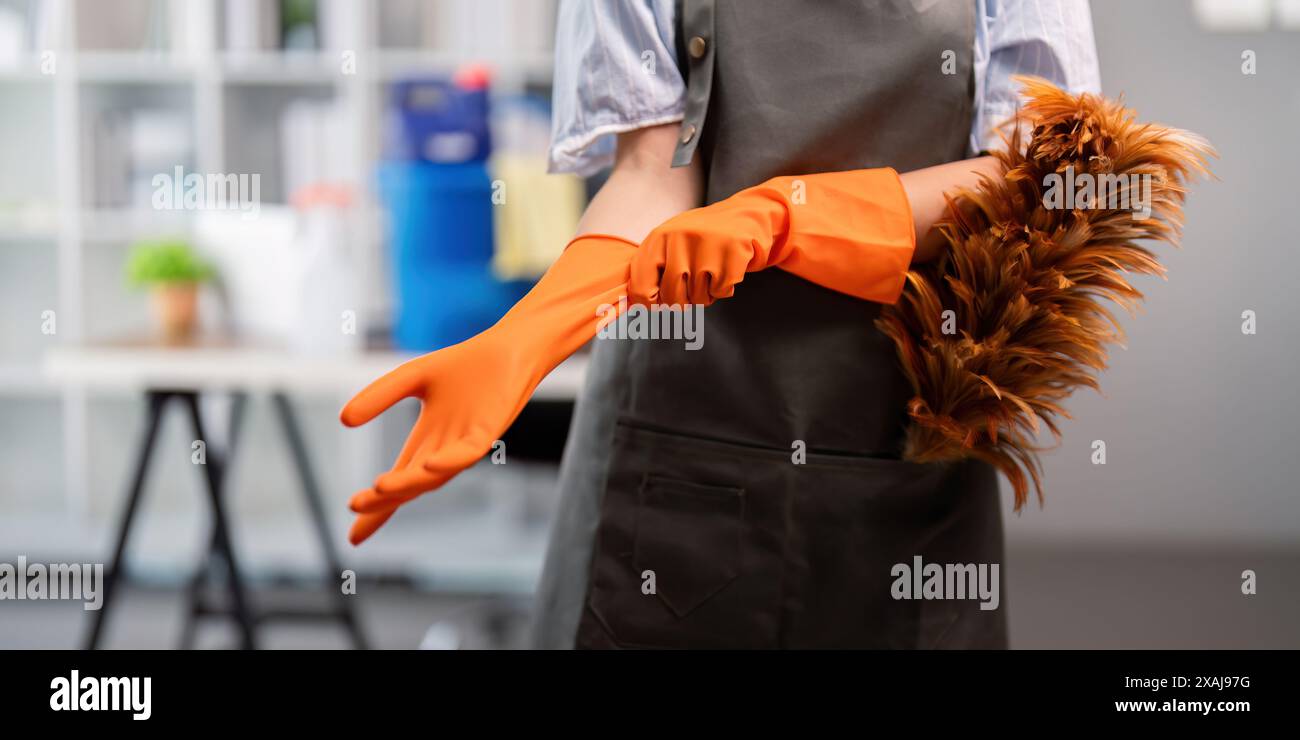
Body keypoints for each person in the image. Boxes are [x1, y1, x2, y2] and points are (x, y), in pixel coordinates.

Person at [529, 0, 1102, 649]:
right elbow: (649, 169)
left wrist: (791, 216)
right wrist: (526, 337)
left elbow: (1044, 177)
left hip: (905, 436)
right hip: (674, 434)